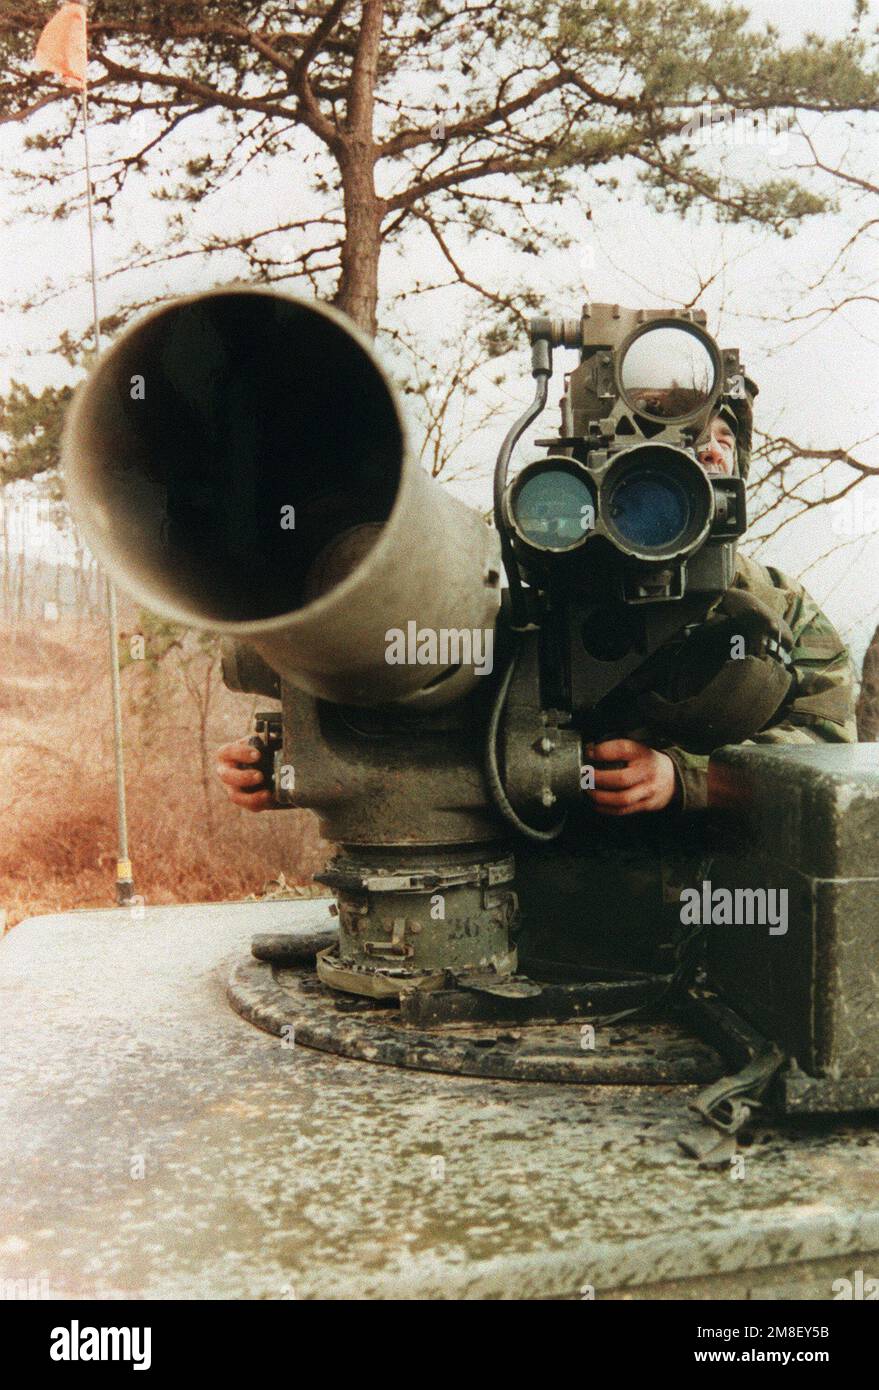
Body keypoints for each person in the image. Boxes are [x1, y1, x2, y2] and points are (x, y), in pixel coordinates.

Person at [217, 391, 858, 817]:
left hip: (700, 894)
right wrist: (286, 757)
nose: (711, 448)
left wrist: (682, 777)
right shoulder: (526, 584)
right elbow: (433, 692)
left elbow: (828, 750)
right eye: (687, 436)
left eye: (723, 436)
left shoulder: (783, 608)